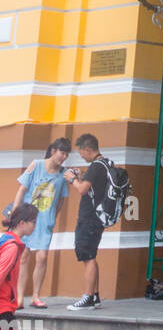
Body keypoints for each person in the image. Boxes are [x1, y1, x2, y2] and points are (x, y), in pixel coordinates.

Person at [11, 138, 70, 308]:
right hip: (27, 219)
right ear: (53, 151)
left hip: (45, 222)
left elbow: (61, 199)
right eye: (62, 152)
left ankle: (36, 295)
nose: (63, 156)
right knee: (23, 257)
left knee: (42, 258)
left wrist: (54, 216)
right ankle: (20, 297)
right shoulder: (36, 165)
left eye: (66, 154)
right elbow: (21, 189)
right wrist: (16, 213)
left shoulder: (62, 173)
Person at [63, 133, 109, 310]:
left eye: (81, 152)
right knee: (92, 255)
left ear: (88, 149)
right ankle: (95, 296)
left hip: (89, 218)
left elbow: (82, 190)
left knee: (88, 257)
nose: (81, 156)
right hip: (98, 217)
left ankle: (88, 297)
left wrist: (73, 179)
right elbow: (92, 190)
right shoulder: (106, 164)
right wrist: (82, 177)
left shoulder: (96, 166)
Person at [0, 204, 38, 330]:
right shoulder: (12, 247)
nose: (35, 226)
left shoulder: (5, 240)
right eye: (33, 222)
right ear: (22, 223)